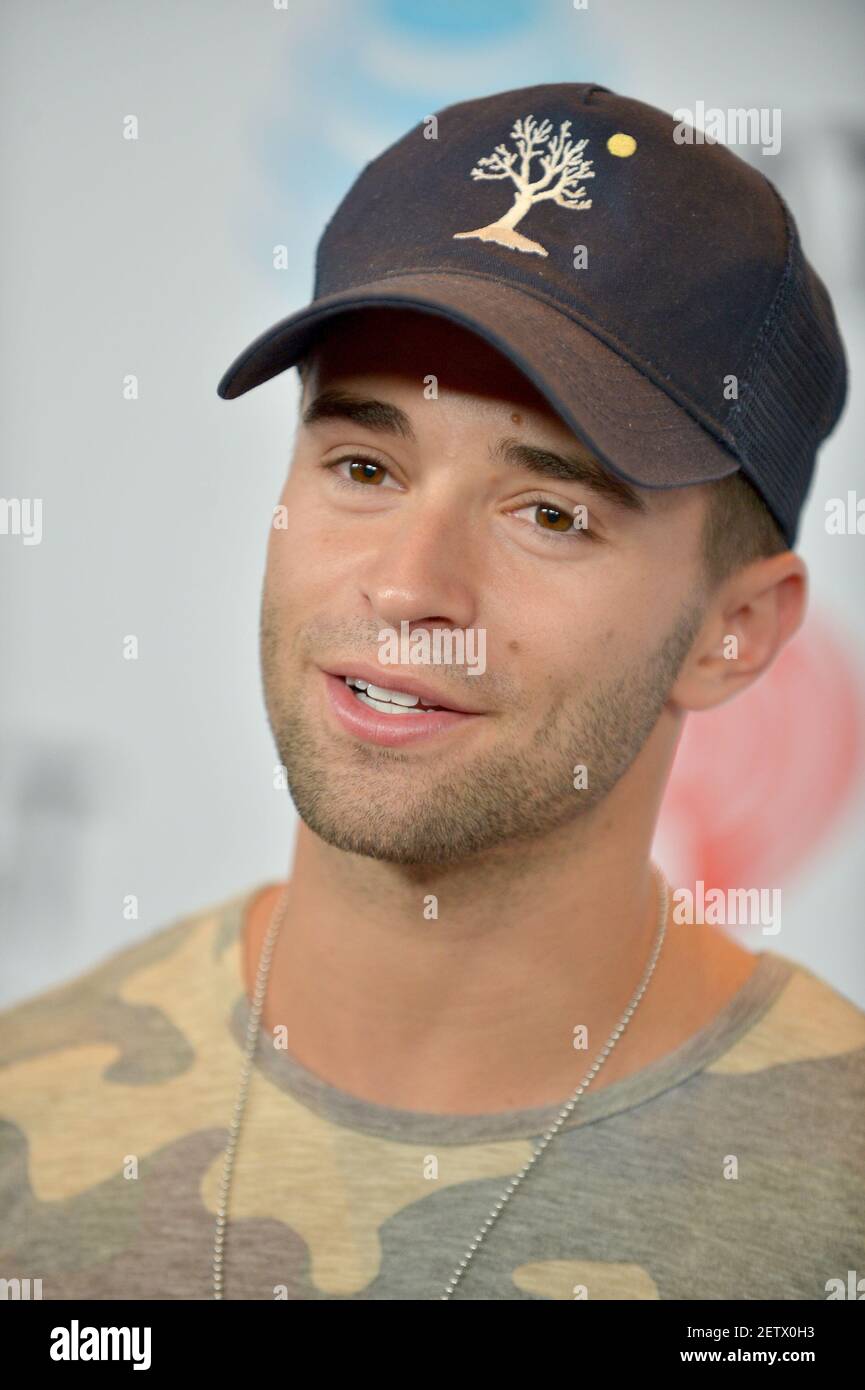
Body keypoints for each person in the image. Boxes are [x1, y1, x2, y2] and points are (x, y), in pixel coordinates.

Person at [1, 82, 862, 1303]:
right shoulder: (24, 1115)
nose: (410, 588)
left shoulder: (838, 1201)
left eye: (549, 513)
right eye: (363, 465)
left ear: (732, 631)